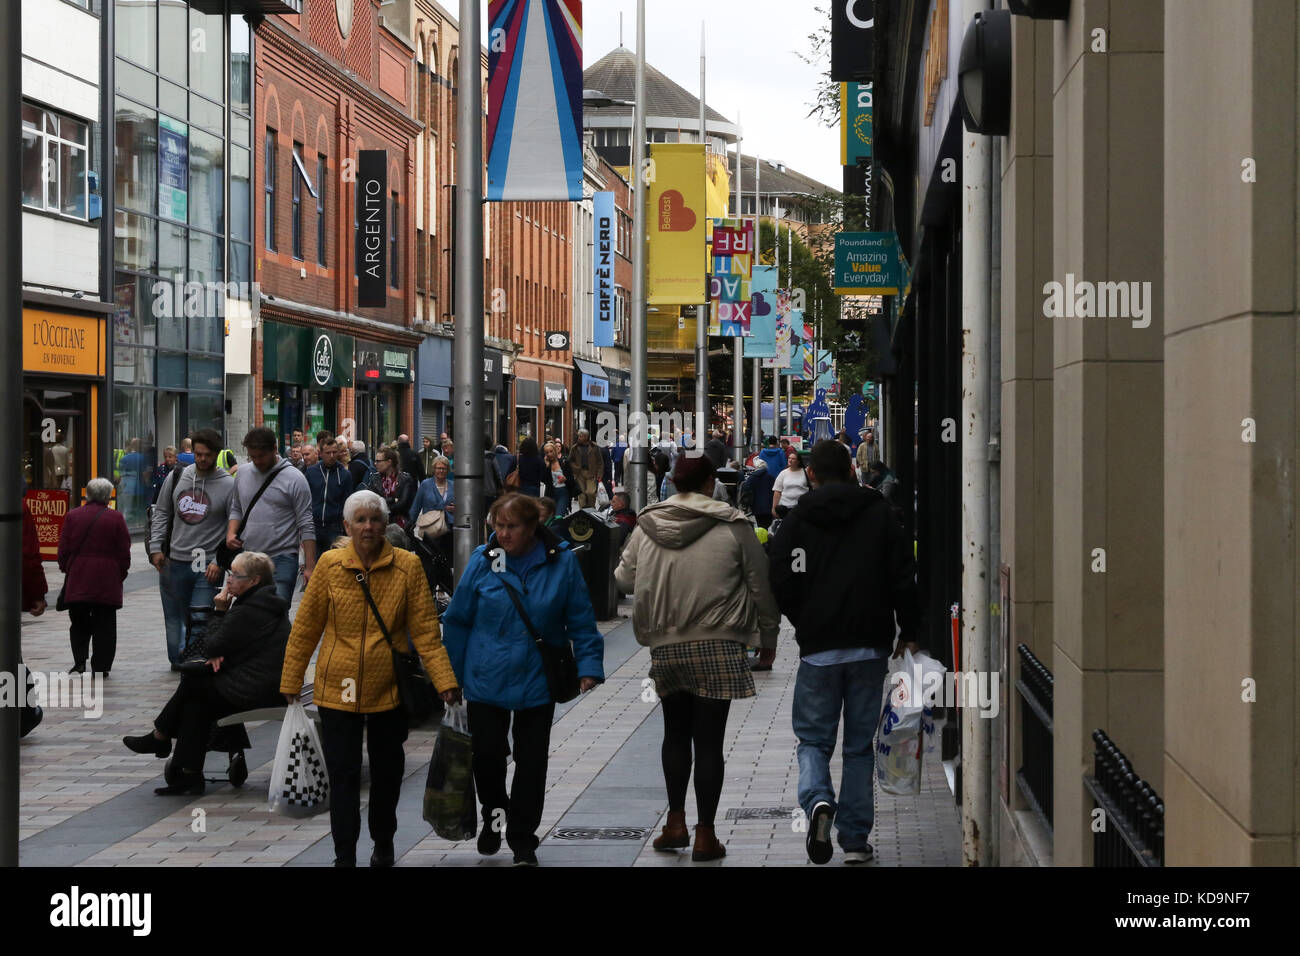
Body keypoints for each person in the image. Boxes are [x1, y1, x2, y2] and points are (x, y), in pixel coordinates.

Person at [614, 453, 780, 862]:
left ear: (672, 483)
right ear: (710, 484)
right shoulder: (734, 525)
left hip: (666, 644)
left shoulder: (649, 523)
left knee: (675, 734)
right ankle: (706, 834)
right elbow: (761, 583)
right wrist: (768, 636)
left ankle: (674, 823)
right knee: (709, 742)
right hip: (721, 643)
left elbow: (622, 578)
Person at [281, 490, 459, 866]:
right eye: (359, 520)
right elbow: (306, 628)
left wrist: (444, 681)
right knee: (343, 776)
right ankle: (344, 854)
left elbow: (426, 632)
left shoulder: (408, 566)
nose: (368, 527)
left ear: (386, 524)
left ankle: (384, 841)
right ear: (347, 526)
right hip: (335, 688)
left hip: (387, 688)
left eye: (374, 519)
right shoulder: (330, 565)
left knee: (387, 774)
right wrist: (291, 681)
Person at [768, 440, 922, 865]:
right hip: (869, 645)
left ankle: (818, 801)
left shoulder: (798, 522)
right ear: (852, 470)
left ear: (812, 475)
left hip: (819, 648)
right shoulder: (878, 515)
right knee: (858, 746)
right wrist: (909, 629)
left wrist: (804, 619)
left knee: (814, 740)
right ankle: (854, 838)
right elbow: (902, 576)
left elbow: (781, 576)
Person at [440, 493, 604, 865]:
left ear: (533, 527)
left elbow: (580, 616)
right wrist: (451, 676)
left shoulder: (560, 561)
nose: (503, 534)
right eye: (497, 526)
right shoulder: (484, 561)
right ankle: (494, 817)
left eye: (511, 527)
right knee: (487, 758)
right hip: (486, 677)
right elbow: (458, 621)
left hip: (537, 678)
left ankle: (522, 836)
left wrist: (589, 665)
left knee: (532, 762)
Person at [122, 551, 290, 795]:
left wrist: (219, 611)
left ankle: (160, 737)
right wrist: (220, 648)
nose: (228, 579)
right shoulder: (261, 602)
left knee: (194, 684)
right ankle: (186, 772)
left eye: (235, 575)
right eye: (229, 572)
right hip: (260, 681)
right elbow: (227, 645)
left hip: (257, 687)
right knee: (196, 699)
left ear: (254, 581)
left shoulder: (251, 609)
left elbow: (212, 645)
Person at [149, 429, 236, 671]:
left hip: (207, 563)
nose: (201, 459)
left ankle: (194, 660)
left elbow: (234, 527)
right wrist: (156, 547)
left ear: (216, 455)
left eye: (207, 455)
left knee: (200, 616)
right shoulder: (178, 476)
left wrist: (221, 560)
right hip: (174, 560)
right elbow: (162, 513)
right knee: (175, 616)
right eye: (198, 454)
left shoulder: (228, 485)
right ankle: (178, 660)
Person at [226, 427, 317, 605]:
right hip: (248, 558)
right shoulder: (243, 473)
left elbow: (306, 523)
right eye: (253, 457)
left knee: (274, 616)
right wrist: (231, 533)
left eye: (261, 456)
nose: (257, 461)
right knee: (249, 616)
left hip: (282, 559)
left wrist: (310, 566)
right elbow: (236, 507)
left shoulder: (295, 478)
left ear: (274, 449)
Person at [57, 477, 131, 675]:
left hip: (79, 576)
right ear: (108, 496)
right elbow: (124, 552)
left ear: (87, 494)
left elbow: (63, 549)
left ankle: (80, 660)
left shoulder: (73, 516)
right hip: (107, 579)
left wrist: (68, 569)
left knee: (79, 622)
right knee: (105, 625)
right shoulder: (116, 518)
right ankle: (101, 666)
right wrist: (119, 573)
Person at [21, 508, 48, 736]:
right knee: (8, 660)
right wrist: (37, 593)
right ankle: (24, 715)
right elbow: (27, 555)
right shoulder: (12, 502)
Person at [306, 437, 355, 555]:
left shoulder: (344, 474)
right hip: (314, 525)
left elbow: (347, 502)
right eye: (328, 453)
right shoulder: (312, 472)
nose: (332, 455)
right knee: (315, 563)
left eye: (334, 452)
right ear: (321, 454)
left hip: (334, 526)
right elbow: (305, 498)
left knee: (334, 561)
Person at [409, 455, 454, 571]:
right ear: (433, 469)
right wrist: (410, 523)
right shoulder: (426, 484)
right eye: (438, 468)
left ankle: (446, 587)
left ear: (447, 470)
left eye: (444, 468)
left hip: (449, 528)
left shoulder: (453, 485)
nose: (441, 471)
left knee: (447, 562)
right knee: (430, 561)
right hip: (431, 528)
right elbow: (416, 505)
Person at [365, 446, 416, 529]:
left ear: (389, 462)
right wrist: (393, 500)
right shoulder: (374, 478)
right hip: (378, 524)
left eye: (378, 461)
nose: (375, 463)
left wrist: (383, 506)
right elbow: (371, 500)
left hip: (401, 525)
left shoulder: (405, 479)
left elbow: (403, 503)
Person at [568, 429, 603, 508]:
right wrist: (575, 468)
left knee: (590, 492)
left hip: (591, 473)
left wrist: (599, 473)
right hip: (579, 473)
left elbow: (600, 462)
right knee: (581, 494)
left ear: (586, 437)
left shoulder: (594, 446)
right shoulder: (574, 448)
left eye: (580, 436)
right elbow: (570, 461)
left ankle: (591, 509)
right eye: (578, 436)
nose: (578, 438)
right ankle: (583, 511)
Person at [772, 451, 809, 519]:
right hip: (785, 508)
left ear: (798, 461)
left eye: (793, 459)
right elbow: (777, 491)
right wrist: (774, 508)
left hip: (802, 508)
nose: (790, 460)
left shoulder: (806, 472)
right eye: (789, 458)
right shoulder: (783, 473)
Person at [741, 459, 776, 529]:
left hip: (757, 507)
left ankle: (762, 538)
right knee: (766, 526)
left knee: (760, 525)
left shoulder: (751, 478)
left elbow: (746, 492)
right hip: (769, 506)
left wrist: (746, 506)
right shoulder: (771, 477)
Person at [543, 441, 573, 517]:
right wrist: (546, 466)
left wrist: (565, 478)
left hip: (563, 493)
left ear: (555, 451)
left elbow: (571, 478)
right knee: (550, 517)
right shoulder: (546, 465)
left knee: (558, 516)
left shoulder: (564, 462)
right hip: (551, 494)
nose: (549, 454)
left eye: (551, 451)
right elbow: (544, 480)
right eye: (547, 452)